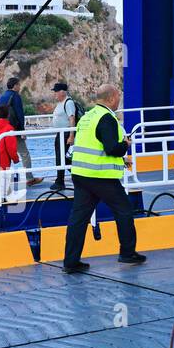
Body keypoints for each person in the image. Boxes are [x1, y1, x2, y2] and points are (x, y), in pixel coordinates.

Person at [62, 82, 143, 273]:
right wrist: (125, 144)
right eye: (118, 99)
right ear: (112, 98)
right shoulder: (107, 118)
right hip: (100, 176)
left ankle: (71, 262)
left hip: (81, 174)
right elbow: (110, 148)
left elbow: (92, 146)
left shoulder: (87, 117)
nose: (119, 102)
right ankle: (127, 253)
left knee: (78, 219)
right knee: (123, 210)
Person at [1, 76, 40, 186]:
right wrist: (22, 131)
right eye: (18, 85)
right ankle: (29, 178)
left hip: (4, 130)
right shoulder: (15, 96)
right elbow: (19, 113)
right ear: (15, 86)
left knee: (7, 155)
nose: (20, 87)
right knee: (24, 154)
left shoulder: (2, 96)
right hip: (15, 130)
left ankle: (5, 179)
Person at [50, 82, 79, 190]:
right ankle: (78, 176)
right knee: (62, 158)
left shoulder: (68, 102)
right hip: (61, 133)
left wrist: (71, 135)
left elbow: (72, 119)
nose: (55, 94)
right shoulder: (61, 102)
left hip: (66, 133)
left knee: (62, 158)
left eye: (56, 92)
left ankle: (60, 181)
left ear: (62, 92)